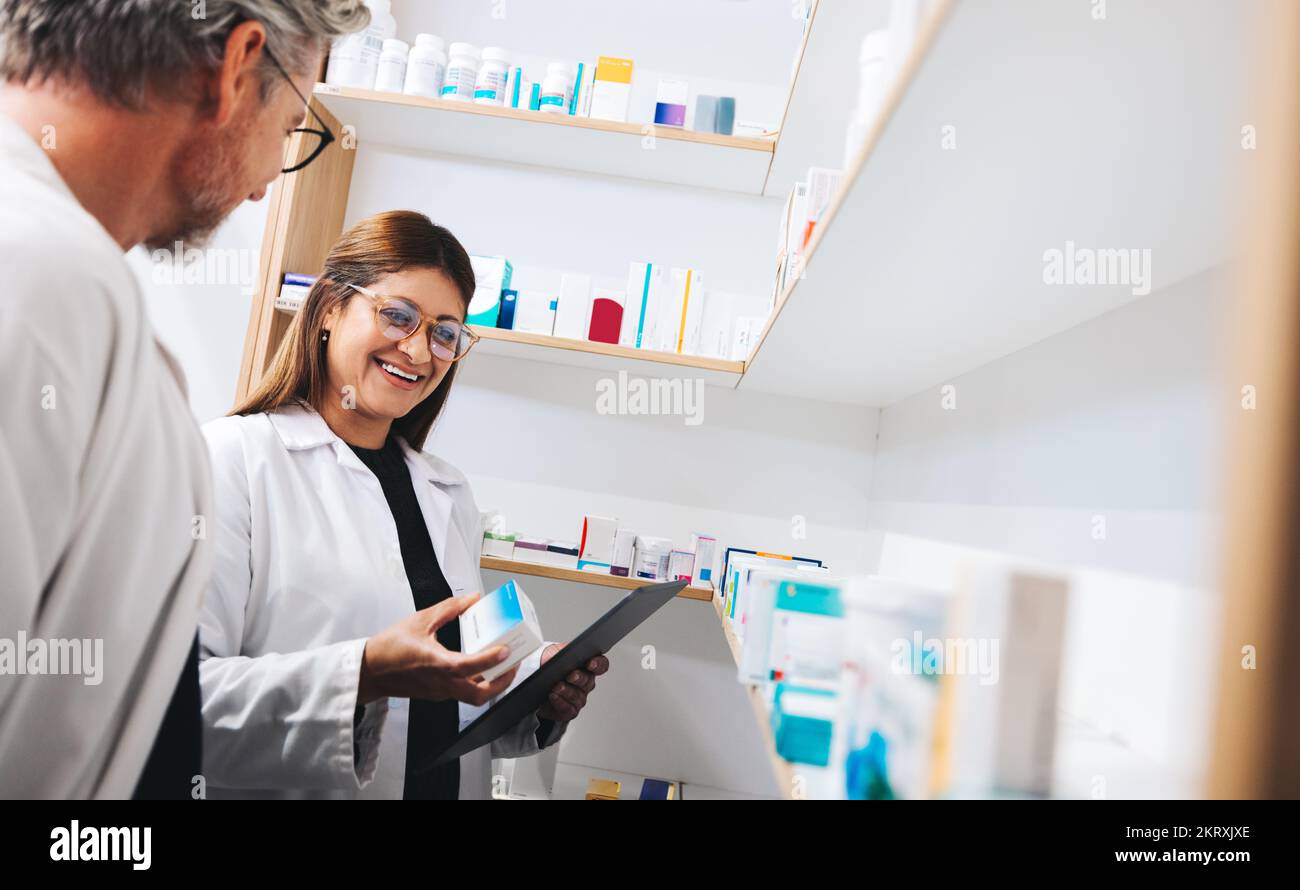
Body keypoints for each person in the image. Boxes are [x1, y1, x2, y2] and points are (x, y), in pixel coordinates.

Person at [0, 0, 373, 798]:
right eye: (292, 128)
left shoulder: (58, 271)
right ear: (239, 66)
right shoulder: (37, 278)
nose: (270, 180)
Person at [199, 210, 609, 799]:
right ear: (331, 307)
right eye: (397, 315)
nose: (418, 350)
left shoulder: (445, 492)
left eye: (445, 332)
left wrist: (533, 692)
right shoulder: (233, 459)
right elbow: (176, 703)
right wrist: (363, 673)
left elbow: (449, 702)